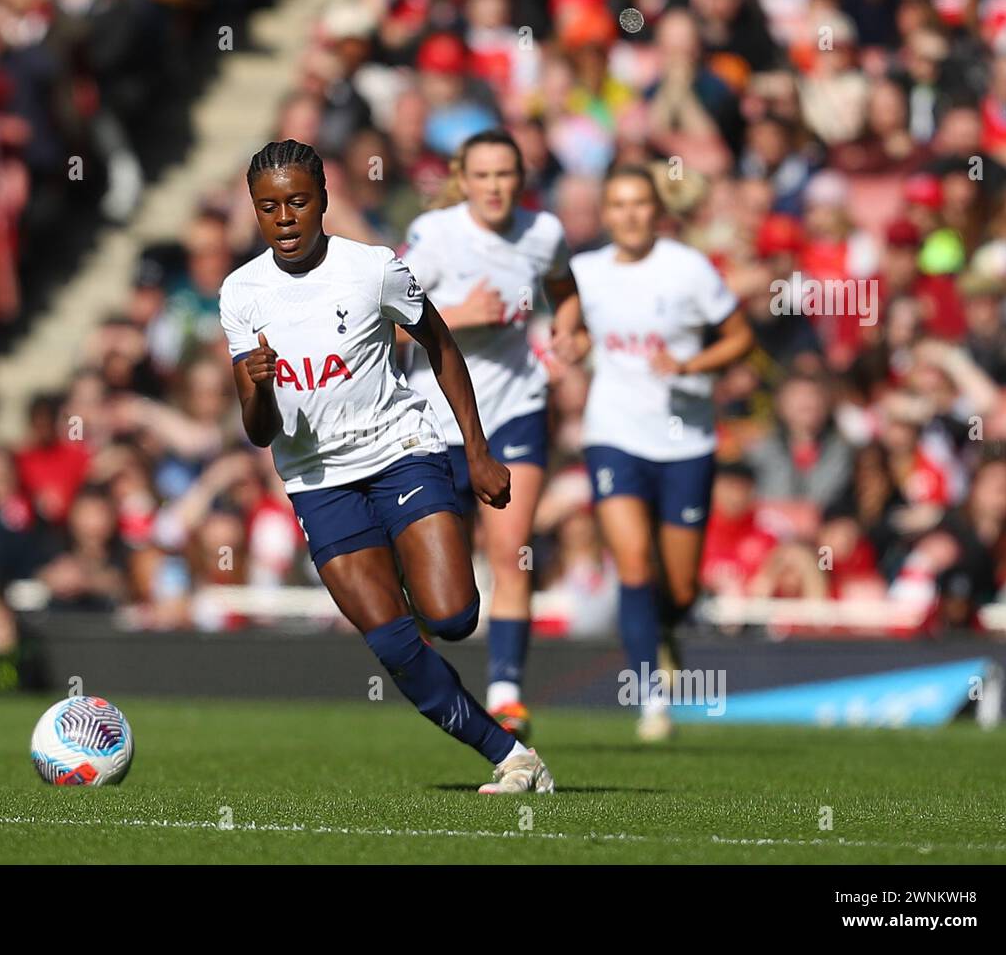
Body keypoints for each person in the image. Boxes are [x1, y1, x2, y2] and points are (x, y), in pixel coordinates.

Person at [220, 139, 553, 793]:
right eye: (268, 207)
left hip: (401, 452)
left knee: (453, 616)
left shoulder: (371, 268)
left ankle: (416, 576)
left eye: (297, 202)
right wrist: (256, 385)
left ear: (322, 202)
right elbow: (259, 433)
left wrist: (478, 451)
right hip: (318, 481)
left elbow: (441, 344)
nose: (284, 217)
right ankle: (514, 758)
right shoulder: (241, 293)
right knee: (395, 646)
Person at [551, 165, 754, 741]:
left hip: (684, 439)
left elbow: (739, 338)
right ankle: (652, 698)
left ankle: (665, 632)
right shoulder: (584, 272)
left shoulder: (687, 268)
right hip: (613, 433)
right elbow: (580, 334)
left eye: (640, 203)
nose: (629, 215)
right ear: (606, 212)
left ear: (656, 210)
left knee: (682, 587)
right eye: (618, 204)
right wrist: (571, 344)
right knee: (633, 561)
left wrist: (688, 366)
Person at [401, 128, 574, 742]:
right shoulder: (435, 237)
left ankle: (507, 694)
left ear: (520, 180)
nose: (495, 187)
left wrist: (571, 330)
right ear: (462, 178)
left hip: (516, 408)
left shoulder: (544, 233)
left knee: (511, 549)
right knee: (445, 600)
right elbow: (383, 330)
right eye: (483, 176)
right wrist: (462, 316)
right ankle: (433, 646)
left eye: (506, 175)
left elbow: (563, 287)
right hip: (439, 417)